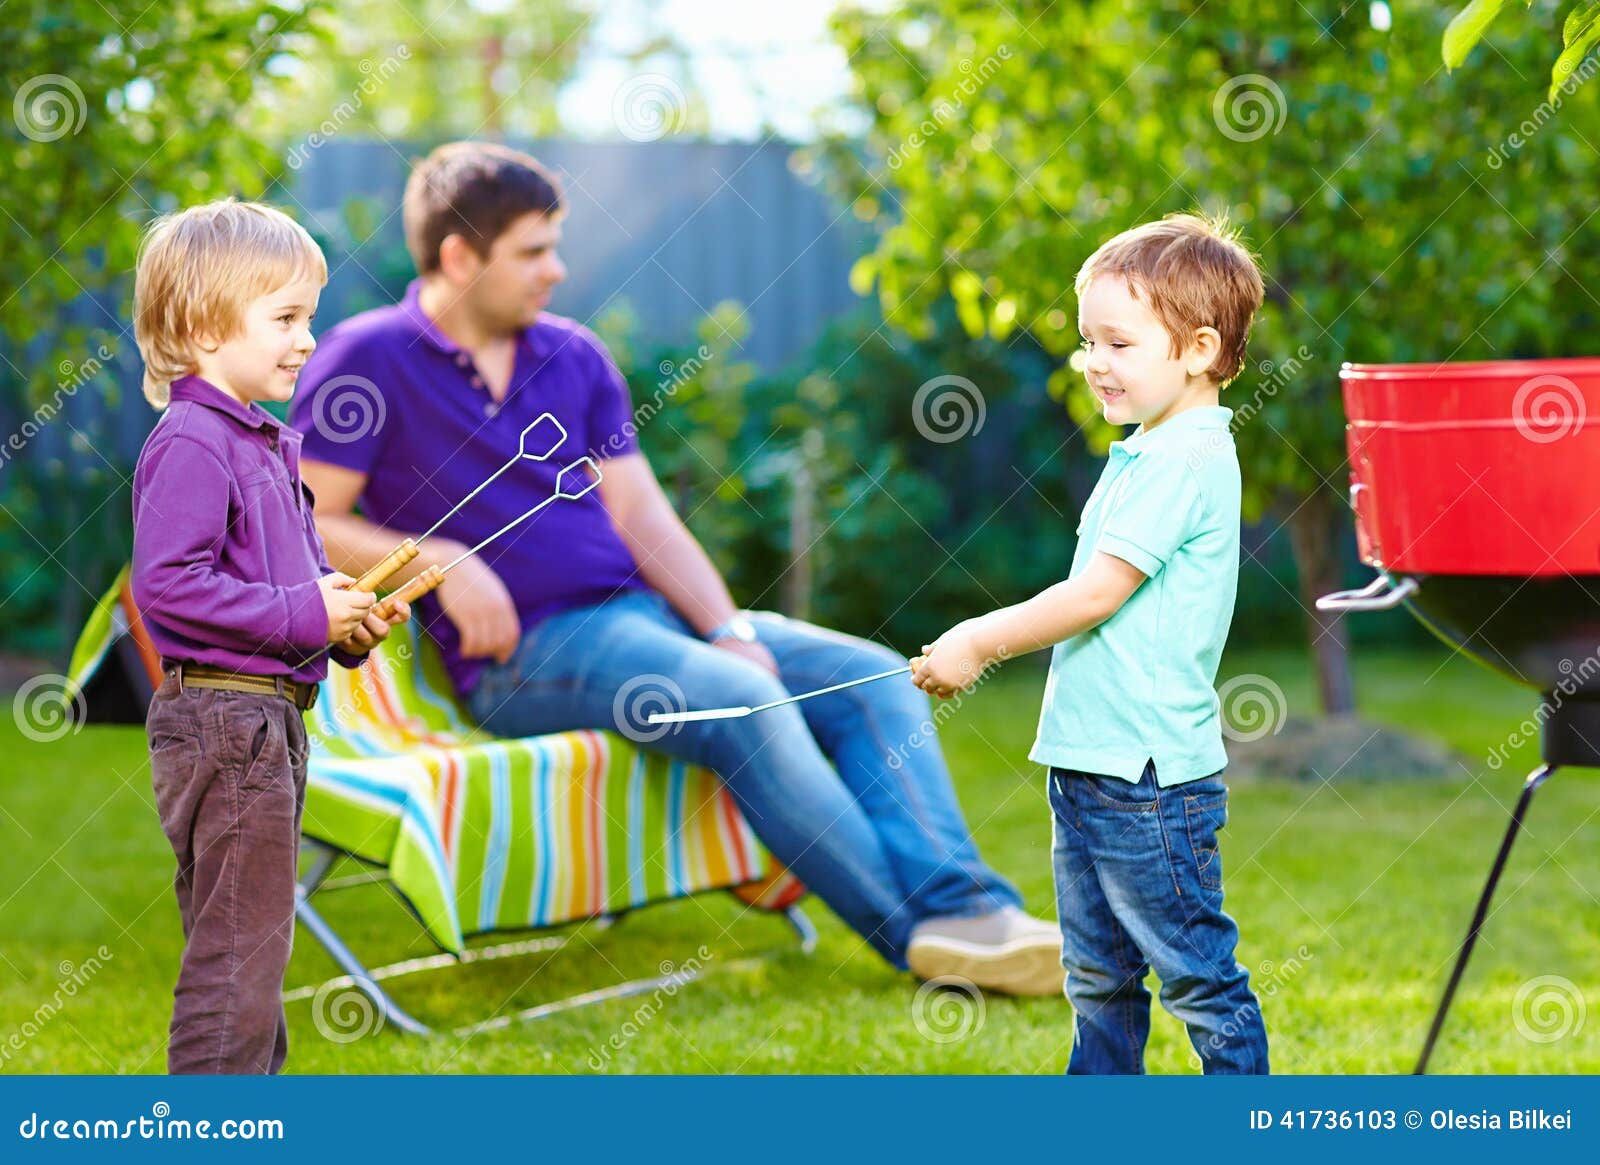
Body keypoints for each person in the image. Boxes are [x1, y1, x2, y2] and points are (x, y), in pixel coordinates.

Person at [290, 140, 1062, 995]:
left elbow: (641, 514)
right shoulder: (368, 357)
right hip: (528, 656)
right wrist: (441, 558)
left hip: (643, 622)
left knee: (872, 679)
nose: (556, 269)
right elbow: (308, 516)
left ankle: (970, 910)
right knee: (745, 701)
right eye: (533, 251)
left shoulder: (573, 355)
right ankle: (922, 934)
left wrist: (725, 626)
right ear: (460, 256)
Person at [912, 213, 1271, 1072]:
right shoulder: (1151, 449)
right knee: (1098, 978)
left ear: (1199, 349)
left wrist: (977, 640)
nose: (1094, 362)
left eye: (1118, 342)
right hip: (1092, 765)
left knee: (1197, 977)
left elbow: (1096, 595)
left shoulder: (1182, 460)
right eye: (1087, 342)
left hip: (1146, 780)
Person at [130, 199, 411, 1073]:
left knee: (251, 946)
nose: (306, 340)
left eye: (308, 319)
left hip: (263, 718)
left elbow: (288, 590)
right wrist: (303, 613)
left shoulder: (258, 444)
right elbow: (167, 588)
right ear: (204, 326)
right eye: (285, 318)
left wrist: (348, 622)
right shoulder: (194, 441)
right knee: (237, 956)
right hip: (227, 722)